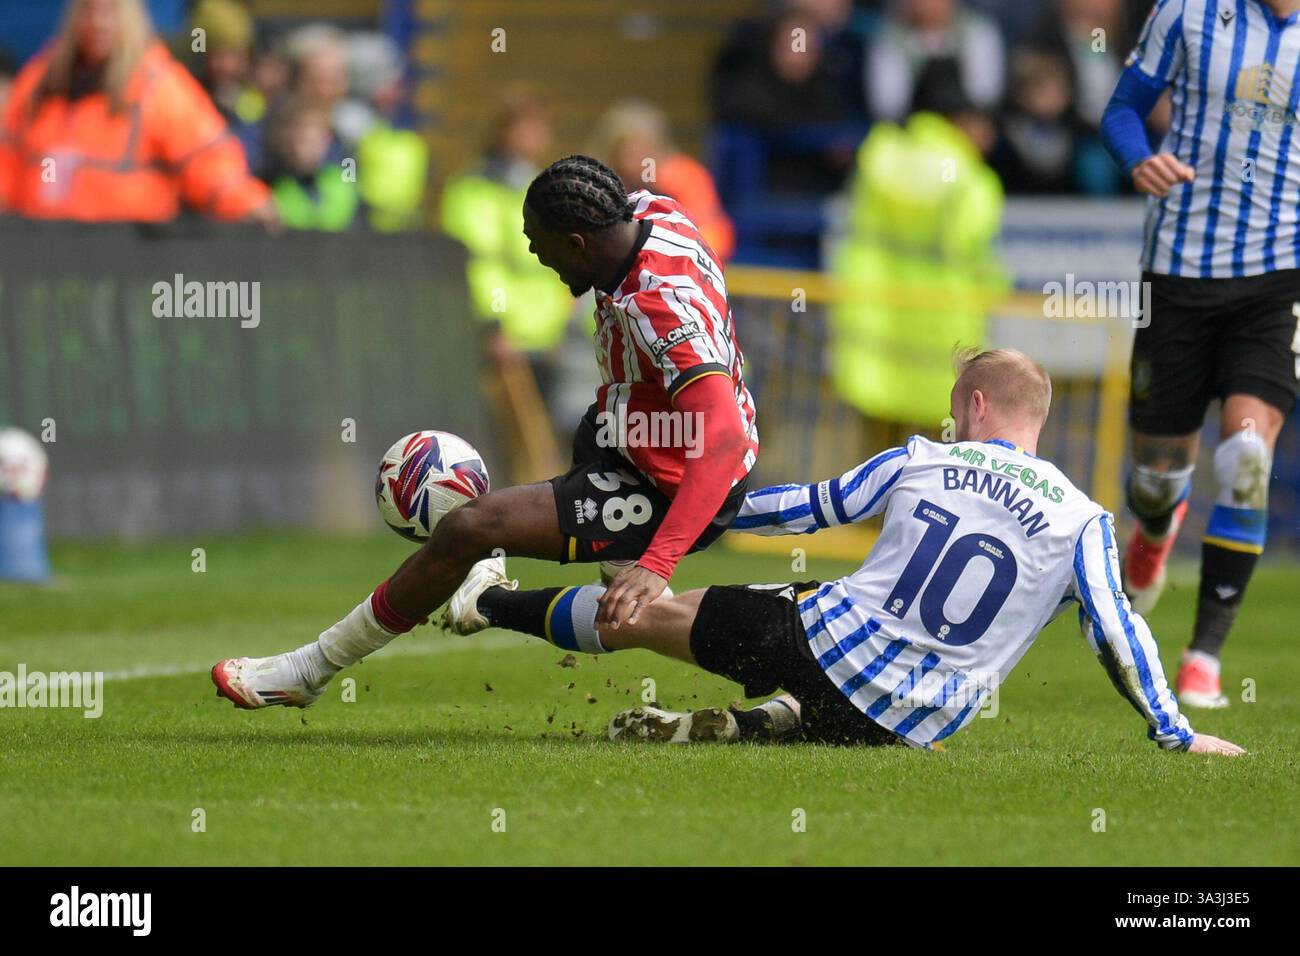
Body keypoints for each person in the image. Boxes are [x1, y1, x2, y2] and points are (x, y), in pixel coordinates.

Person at [444, 349, 1244, 757]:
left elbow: (806, 510)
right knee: (830, 658)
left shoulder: (922, 458)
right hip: (913, 724)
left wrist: (688, 514)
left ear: (973, 403)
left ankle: (486, 602)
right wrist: (1175, 731)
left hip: (815, 645)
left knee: (644, 612)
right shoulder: (1085, 519)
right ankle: (768, 722)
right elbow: (1115, 628)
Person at [211, 155, 760, 709]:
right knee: (635, 610)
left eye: (536, 240)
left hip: (667, 480)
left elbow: (724, 439)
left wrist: (656, 561)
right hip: (624, 432)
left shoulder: (658, 305)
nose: (530, 252)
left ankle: (307, 671)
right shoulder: (648, 212)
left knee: (470, 529)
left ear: (576, 243)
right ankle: (777, 659)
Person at [1099, 0, 1300, 708]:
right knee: (1156, 476)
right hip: (1179, 272)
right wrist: (1139, 159)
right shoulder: (1188, 12)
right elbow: (1123, 108)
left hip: (1279, 280)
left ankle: (1204, 654)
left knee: (1247, 456)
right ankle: (1157, 525)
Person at [0, 0, 273, 224]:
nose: (98, 22)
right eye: (89, 10)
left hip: (127, 267)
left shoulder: (159, 85)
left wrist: (246, 203)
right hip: (39, 264)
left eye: (110, 11)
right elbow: (7, 160)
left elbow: (207, 160)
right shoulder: (40, 81)